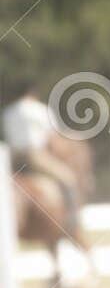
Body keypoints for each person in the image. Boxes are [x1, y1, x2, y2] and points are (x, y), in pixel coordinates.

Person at [2, 85, 79, 213]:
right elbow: (54, 139)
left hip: (12, 157)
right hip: (34, 156)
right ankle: (73, 222)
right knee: (69, 179)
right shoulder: (40, 110)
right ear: (33, 94)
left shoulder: (8, 112)